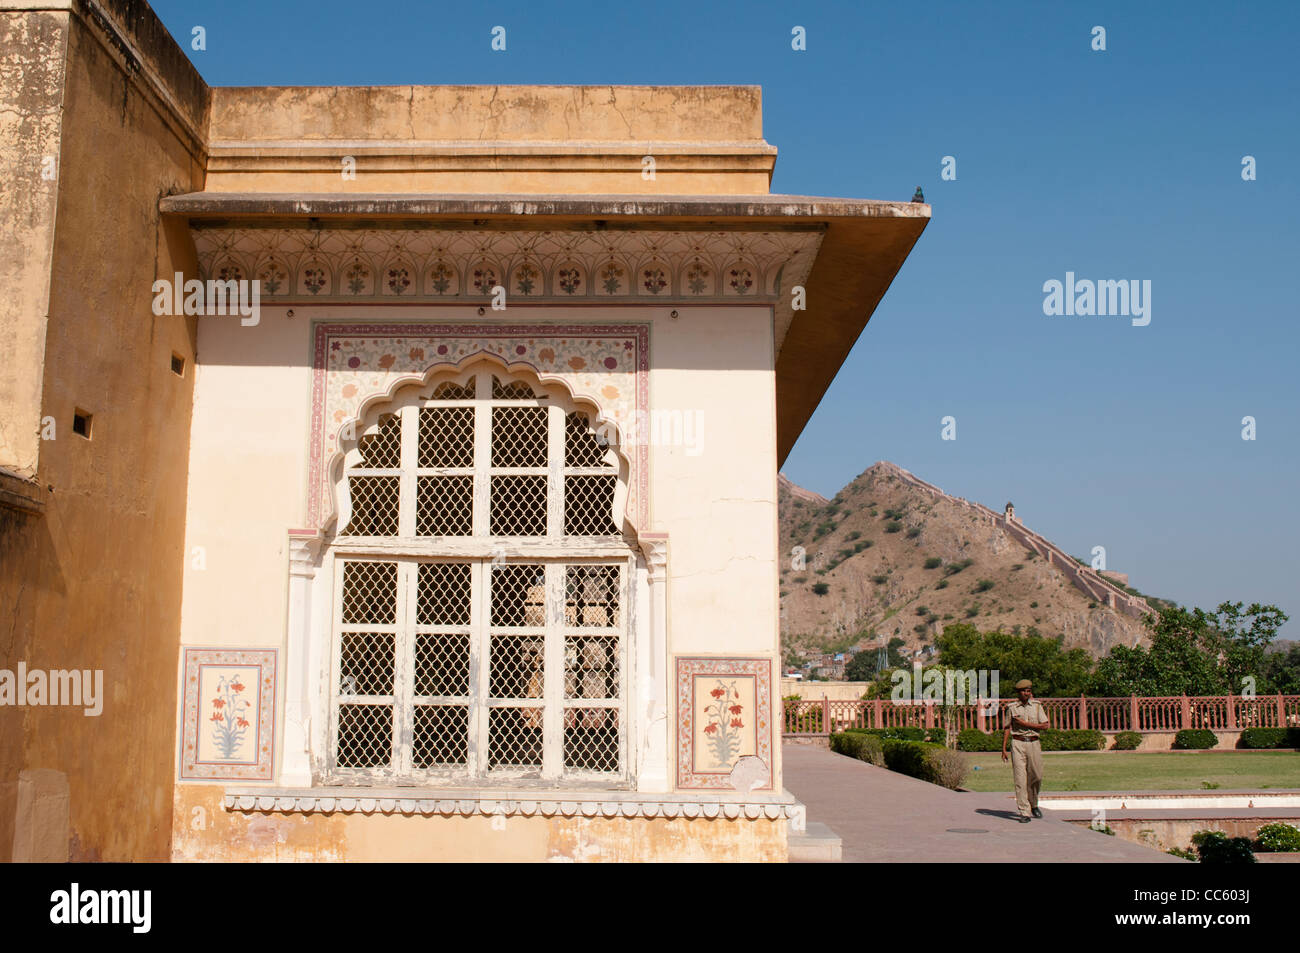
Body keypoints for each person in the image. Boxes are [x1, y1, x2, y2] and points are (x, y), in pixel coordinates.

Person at [1001, 678, 1049, 823]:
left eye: (1028, 691)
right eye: (1023, 691)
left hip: (1034, 743)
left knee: (1036, 776)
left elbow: (1045, 725)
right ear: (1018, 693)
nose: (1026, 693)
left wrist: (1024, 724)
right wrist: (1003, 748)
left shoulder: (1036, 706)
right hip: (1018, 743)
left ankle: (1033, 804)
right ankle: (1024, 811)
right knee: (1020, 779)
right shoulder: (1012, 708)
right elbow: (1007, 727)